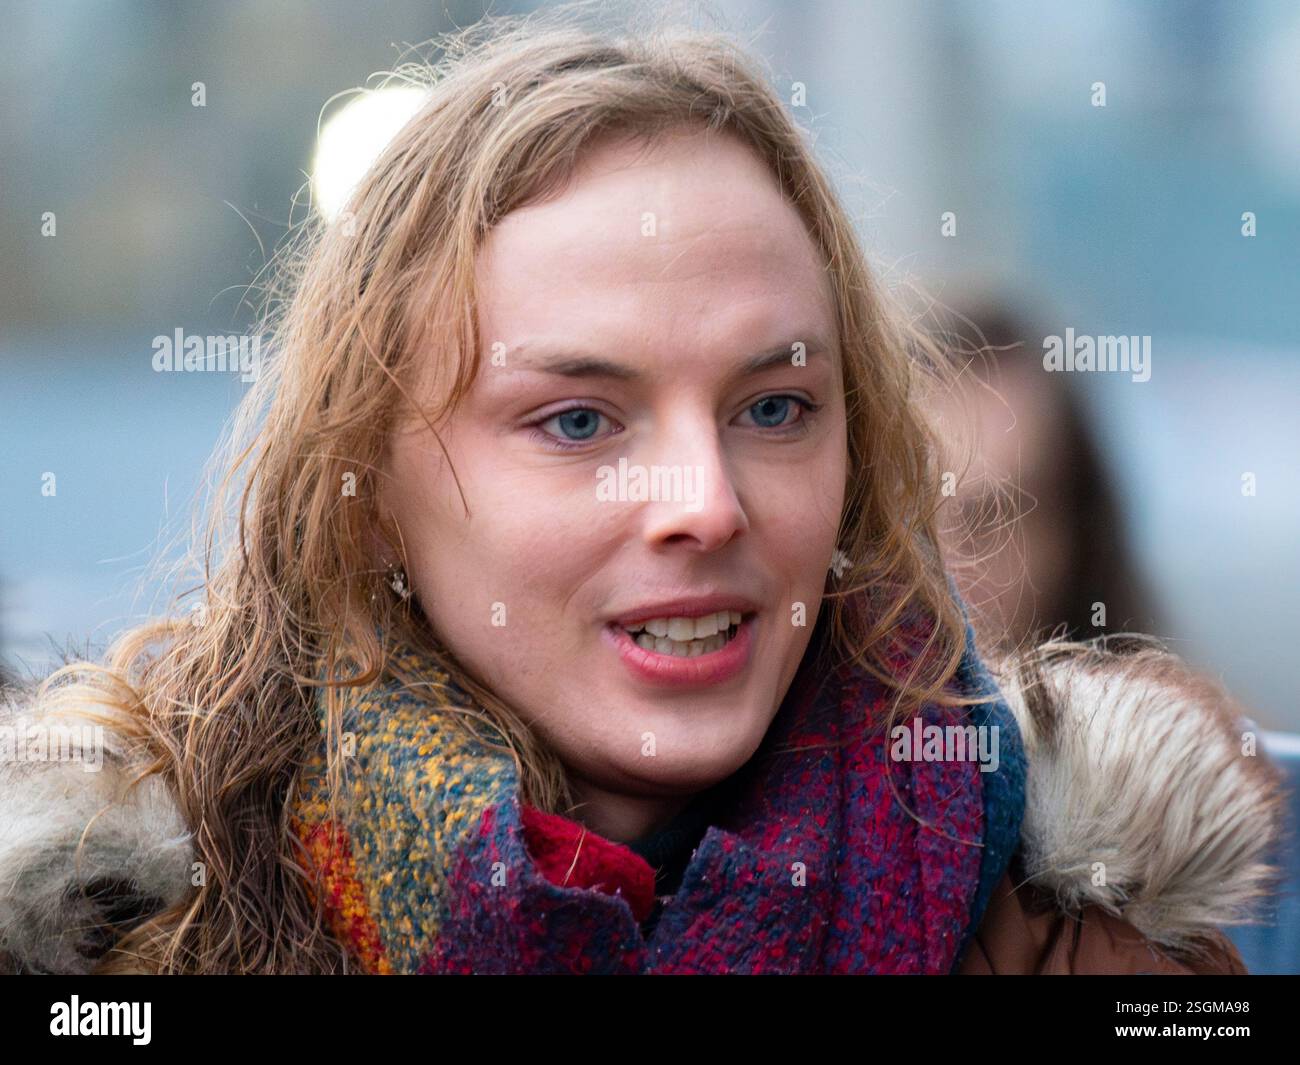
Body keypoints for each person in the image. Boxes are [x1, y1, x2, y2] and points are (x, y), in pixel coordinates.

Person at [0, 8, 1283, 975]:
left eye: (773, 409)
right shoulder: (104, 934)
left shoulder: (1093, 934)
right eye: (575, 419)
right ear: (367, 493)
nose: (706, 504)